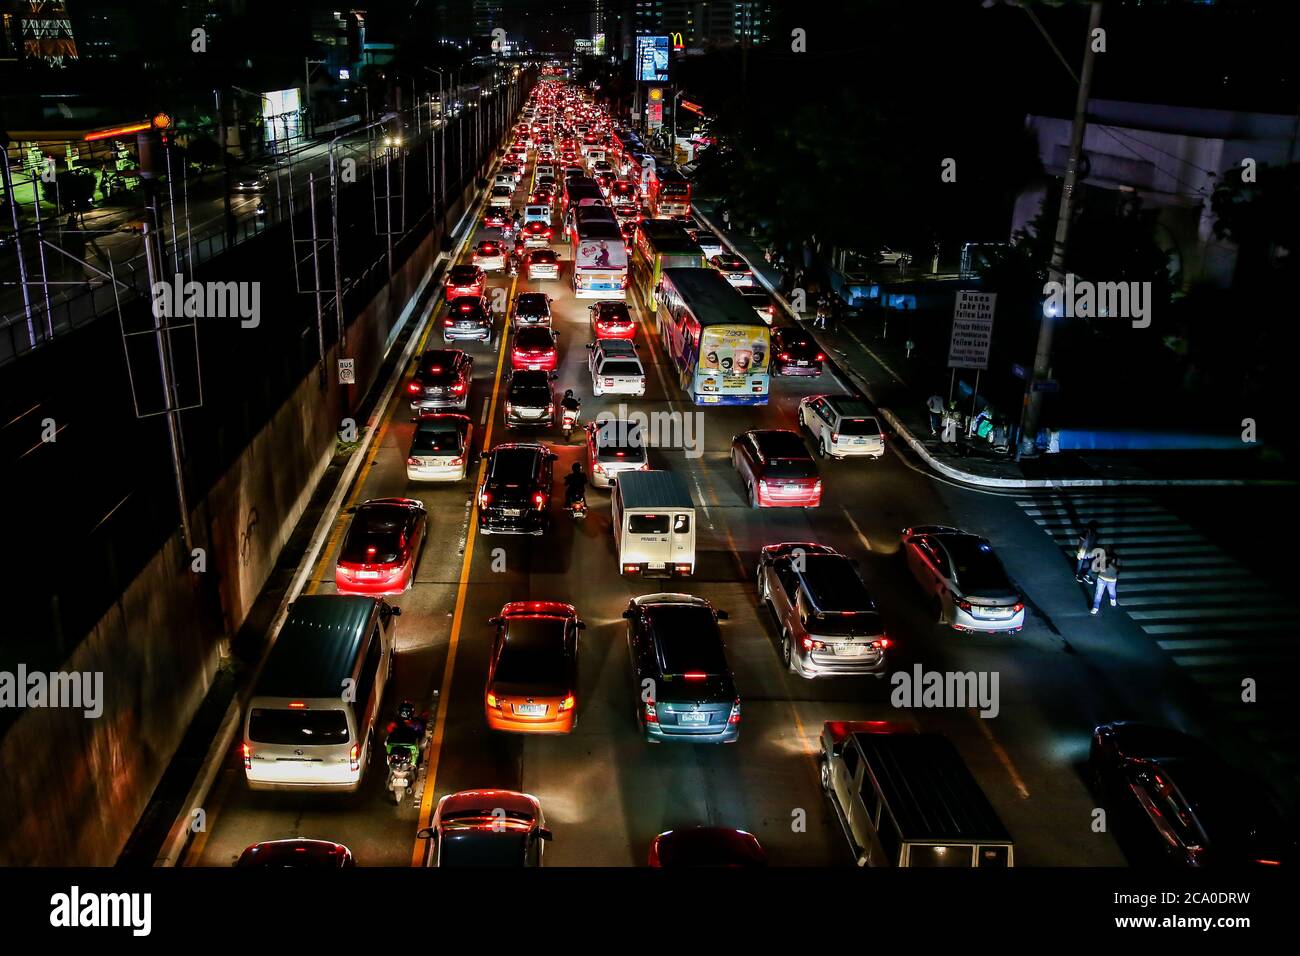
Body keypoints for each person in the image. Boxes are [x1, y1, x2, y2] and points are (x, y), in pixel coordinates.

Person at [1090, 548, 1120, 614]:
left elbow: (1118, 569)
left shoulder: (1116, 558)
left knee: (1111, 591)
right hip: (1102, 578)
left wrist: (1111, 564)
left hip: (1111, 579)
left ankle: (1112, 599)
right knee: (1098, 593)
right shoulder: (1102, 557)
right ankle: (1095, 607)